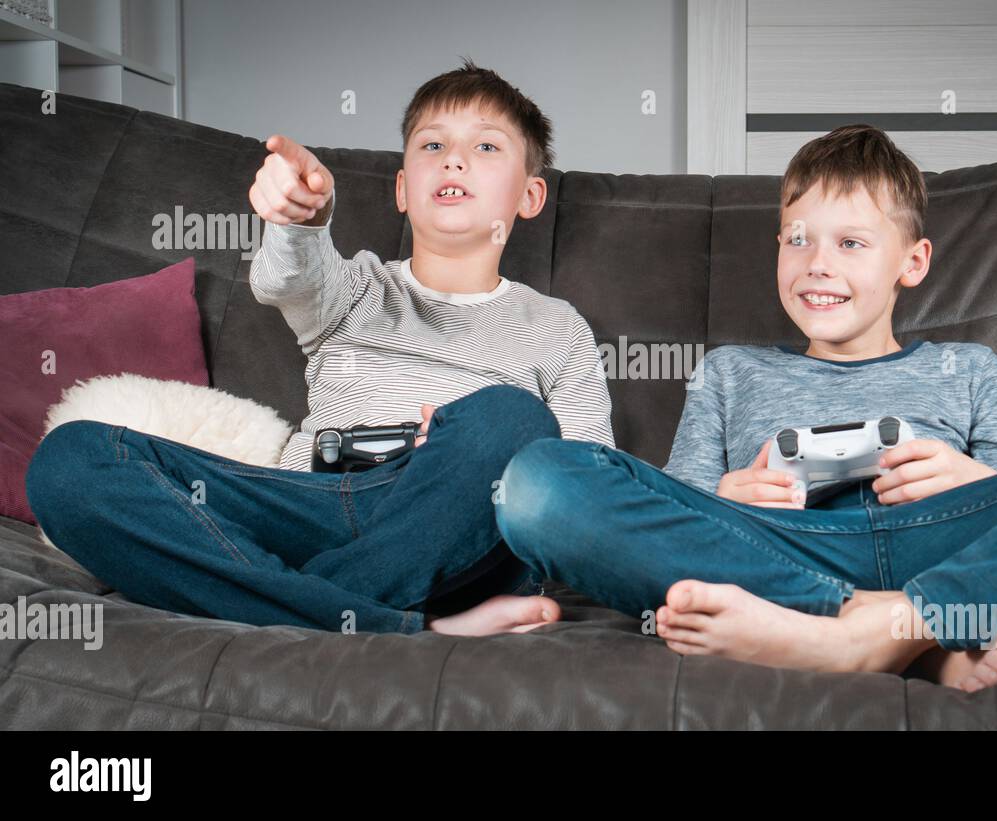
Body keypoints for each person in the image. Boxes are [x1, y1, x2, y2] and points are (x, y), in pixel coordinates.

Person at [493, 124, 997, 691]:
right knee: (536, 483)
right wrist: (726, 493)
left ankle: (887, 626)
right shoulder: (729, 373)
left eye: (851, 244)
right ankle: (900, 627)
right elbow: (672, 512)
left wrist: (968, 474)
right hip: (777, 551)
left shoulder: (968, 367)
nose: (816, 265)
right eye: (796, 239)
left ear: (913, 261)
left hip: (959, 542)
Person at [26, 60, 612, 637]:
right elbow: (286, 278)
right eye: (432, 146)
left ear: (531, 196)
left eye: (486, 148)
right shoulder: (357, 287)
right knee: (70, 459)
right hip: (310, 503)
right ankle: (399, 622)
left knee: (512, 418)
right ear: (403, 190)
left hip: (457, 533)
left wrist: (462, 447)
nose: (454, 159)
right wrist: (305, 219)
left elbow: (583, 492)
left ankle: (287, 599)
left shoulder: (556, 328)